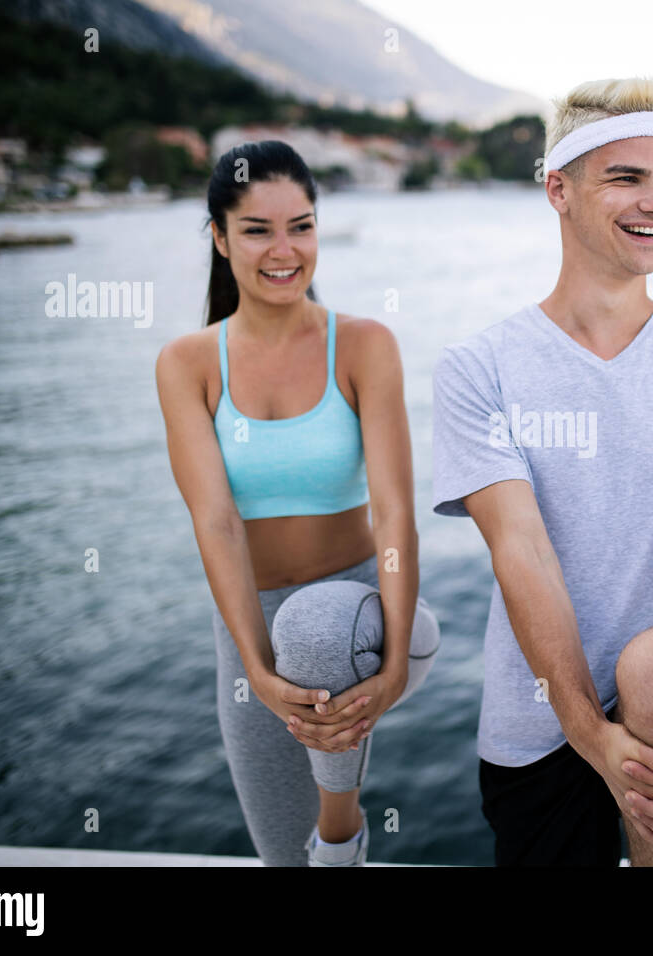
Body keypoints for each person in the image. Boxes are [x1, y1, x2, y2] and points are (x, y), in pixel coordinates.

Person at [431, 78, 653, 866]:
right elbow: (521, 551)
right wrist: (589, 732)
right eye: (626, 178)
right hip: (541, 725)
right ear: (558, 189)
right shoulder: (479, 369)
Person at [155, 140, 440, 867]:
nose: (285, 250)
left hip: (363, 610)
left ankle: (340, 831)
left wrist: (398, 657)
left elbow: (397, 511)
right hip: (253, 629)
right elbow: (215, 522)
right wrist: (256, 666)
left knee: (316, 628)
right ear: (220, 239)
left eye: (301, 226)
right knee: (283, 854)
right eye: (257, 230)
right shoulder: (188, 364)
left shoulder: (364, 345)